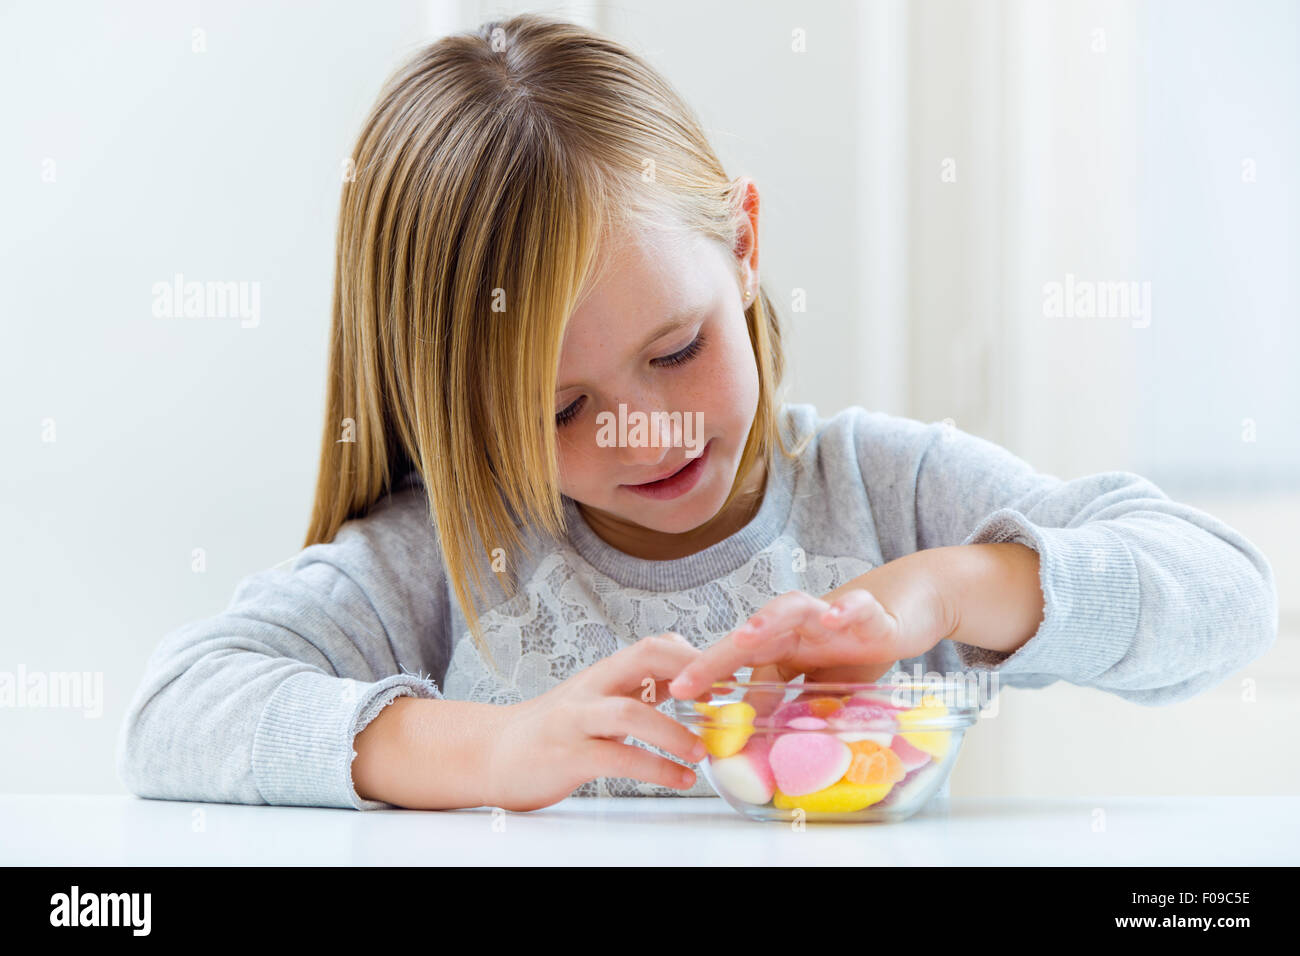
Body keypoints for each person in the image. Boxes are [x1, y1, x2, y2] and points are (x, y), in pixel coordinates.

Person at [117, 13, 1277, 813]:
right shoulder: (448, 559)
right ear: (456, 409)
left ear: (745, 246)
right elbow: (176, 711)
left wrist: (944, 589)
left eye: (677, 348)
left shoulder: (879, 492)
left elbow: (1227, 593)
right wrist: (497, 746)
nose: (649, 432)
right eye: (562, 407)